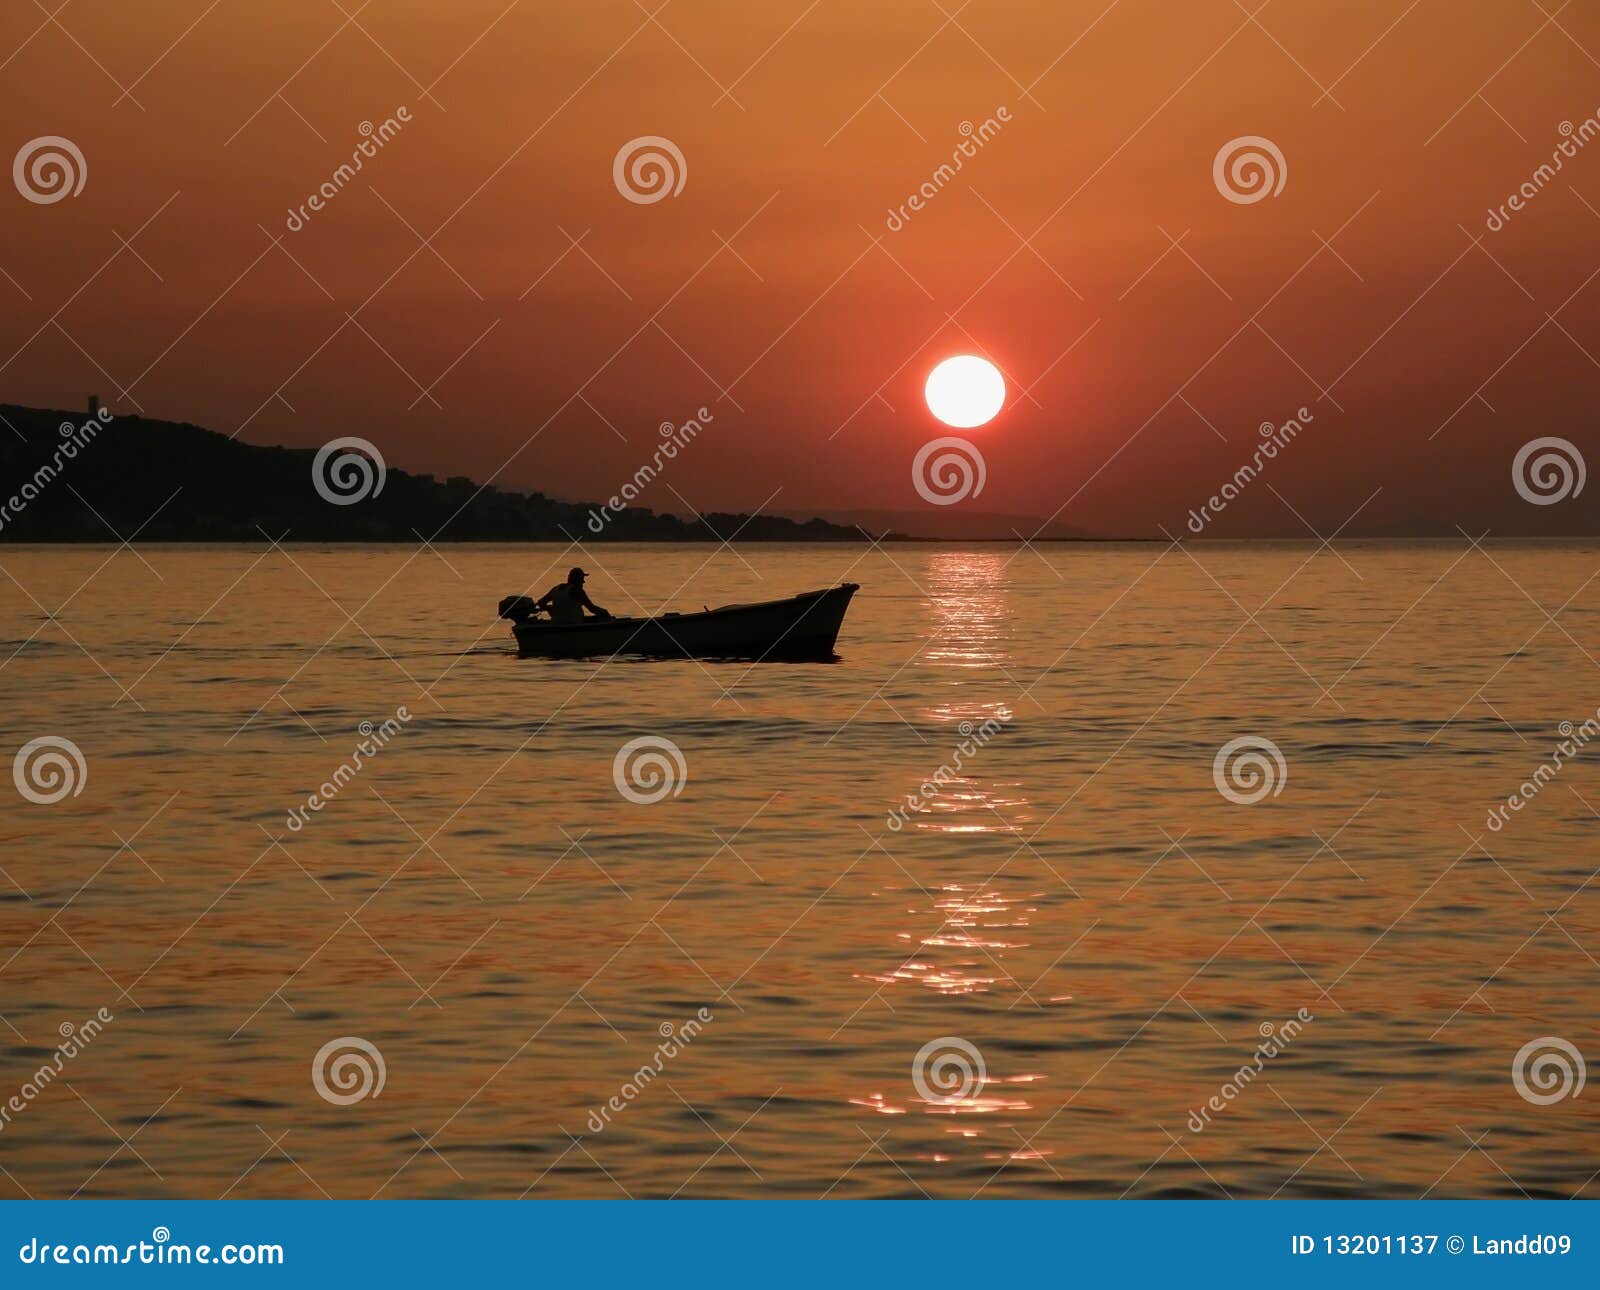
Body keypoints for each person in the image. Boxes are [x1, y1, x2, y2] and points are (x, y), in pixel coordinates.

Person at [536, 567, 611, 624]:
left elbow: (540, 603)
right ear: (577, 579)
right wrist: (604, 612)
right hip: (573, 624)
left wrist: (550, 609)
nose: (583, 582)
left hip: (556, 623)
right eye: (581, 579)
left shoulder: (556, 589)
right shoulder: (578, 591)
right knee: (603, 616)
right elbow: (592, 609)